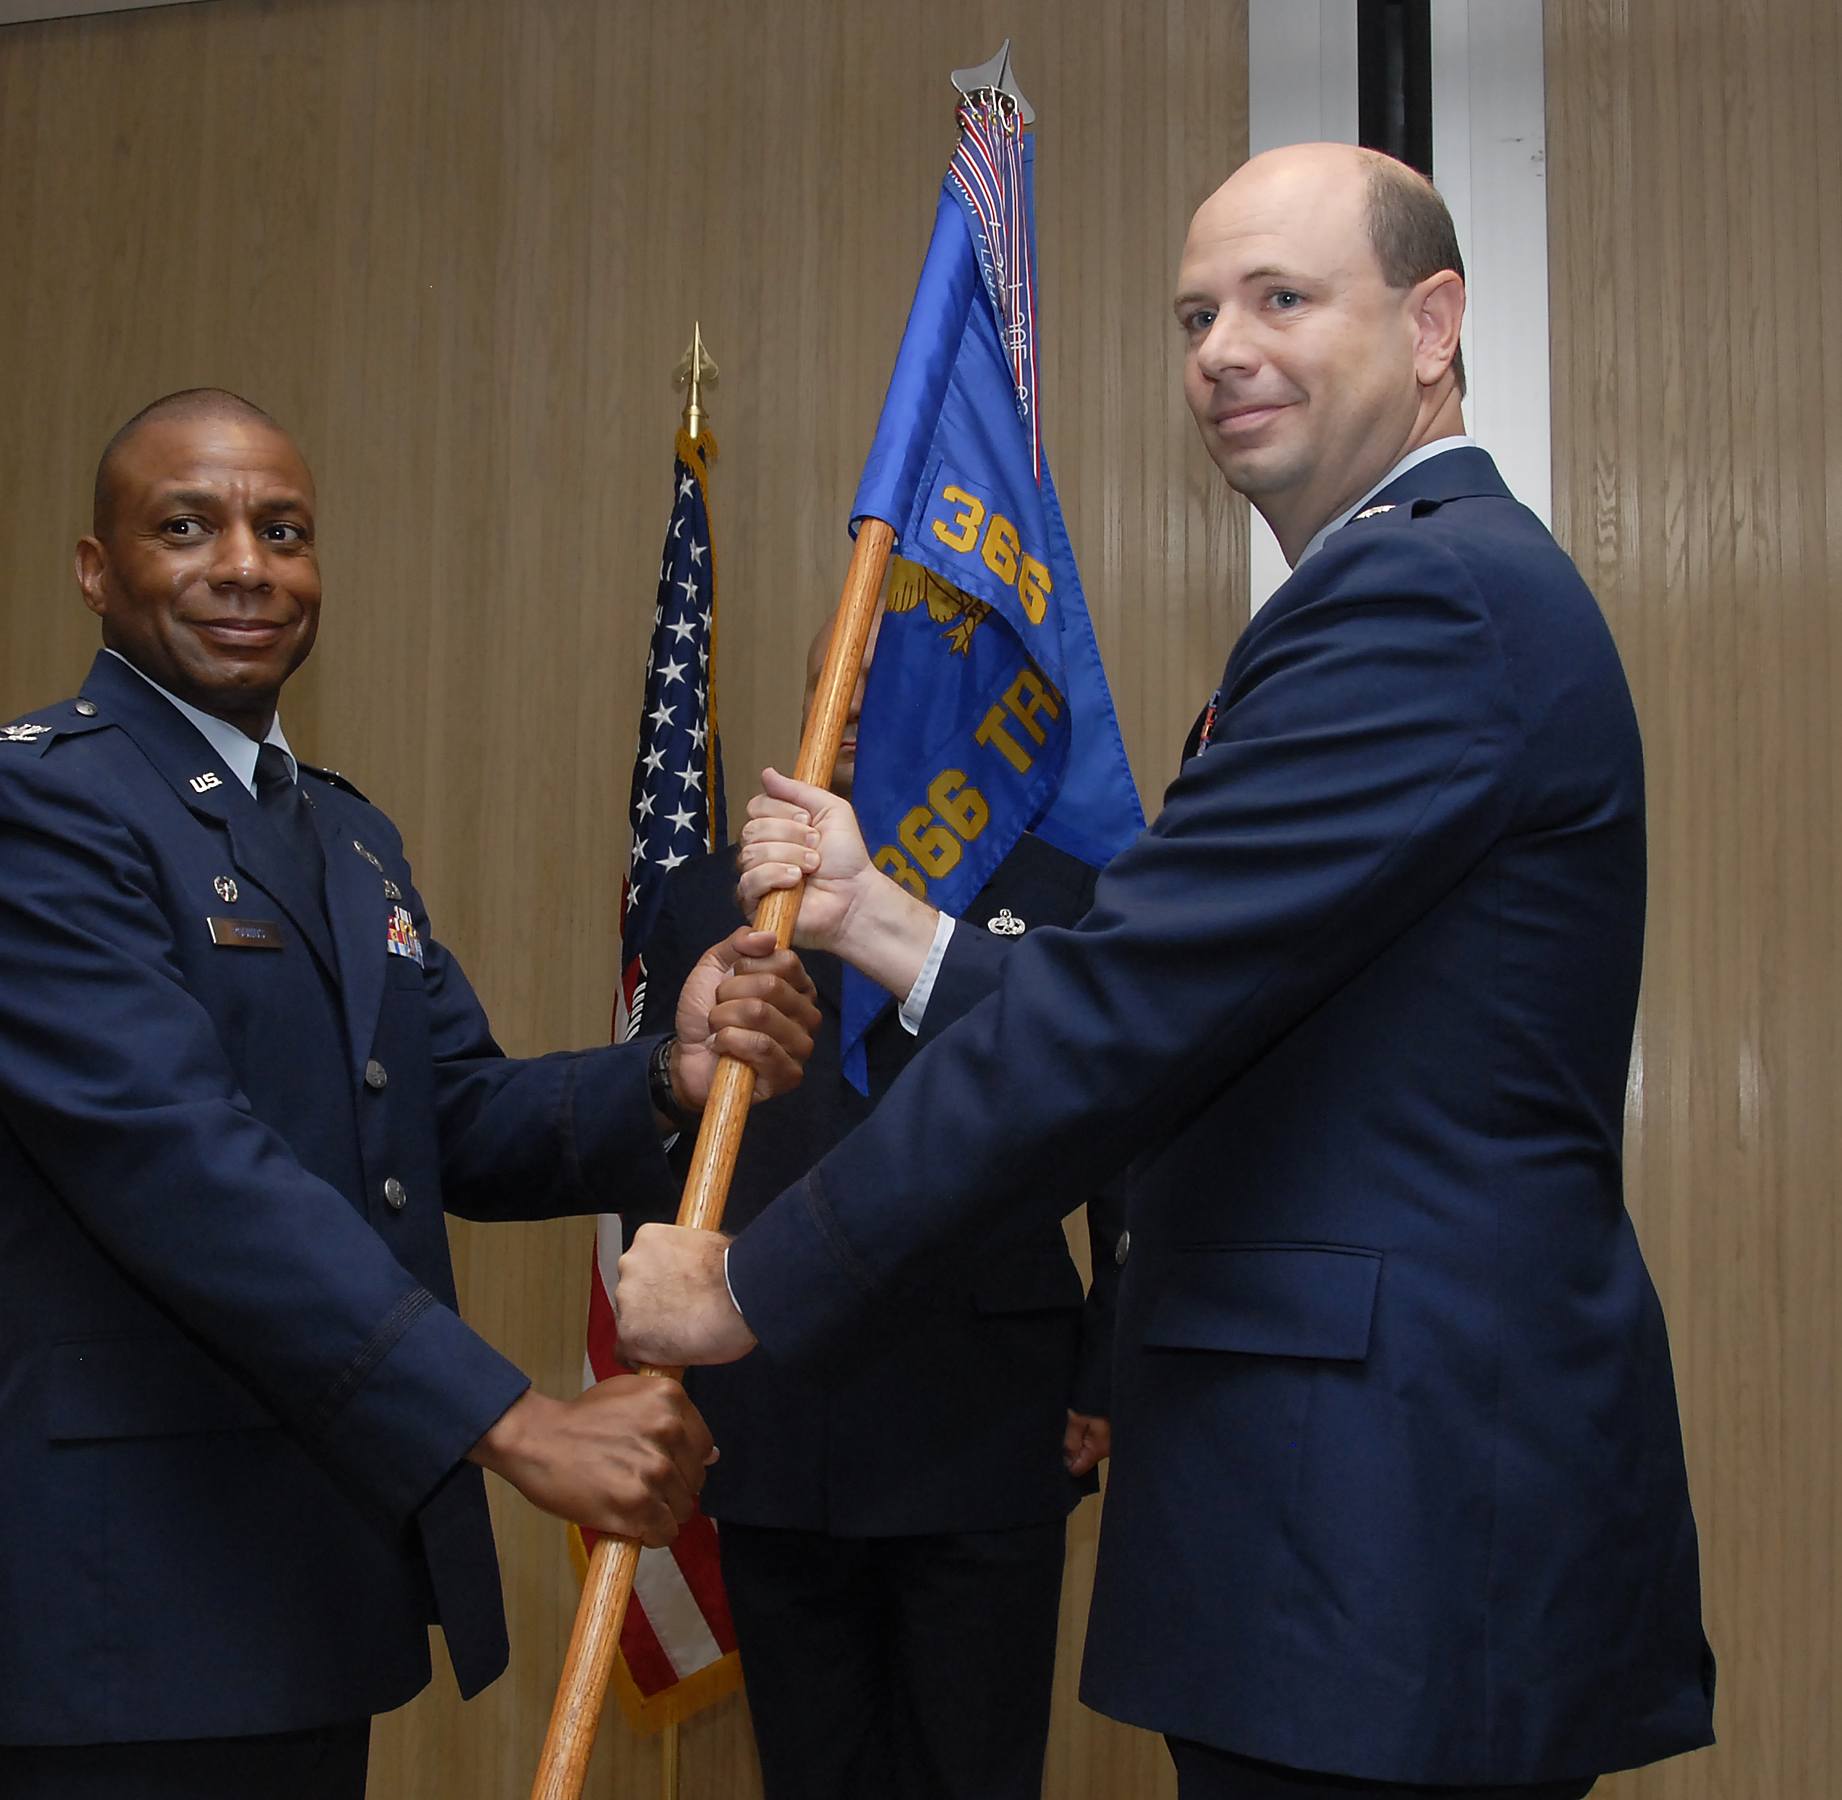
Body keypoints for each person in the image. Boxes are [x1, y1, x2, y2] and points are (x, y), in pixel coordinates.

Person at [616, 145, 1716, 1799]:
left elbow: (1124, 1018)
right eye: (1196, 312)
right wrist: (881, 921)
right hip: (1366, 1530)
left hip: (1389, 1528)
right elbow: (1197, 1004)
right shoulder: (1412, 590)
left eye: (1282, 298)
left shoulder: (1424, 602)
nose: (1219, 350)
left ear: (1434, 325)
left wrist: (751, 1286)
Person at [0, 388, 820, 1800]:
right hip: (126, 1602)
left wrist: (668, 1070)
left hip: (319, 1579)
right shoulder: (40, 810)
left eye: (284, 530)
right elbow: (186, 1173)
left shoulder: (342, 835)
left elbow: (444, 1111)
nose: (245, 565)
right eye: (186, 525)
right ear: (97, 569)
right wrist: (518, 1425)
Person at [633, 617, 1119, 1800]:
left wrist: (1107, 1373)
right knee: (813, 1770)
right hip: (776, 1411)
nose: (850, 708)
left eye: (884, 686)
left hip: (986, 1414)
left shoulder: (1053, 893)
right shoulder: (706, 898)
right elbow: (658, 1137)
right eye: (831, 682)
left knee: (975, 1770)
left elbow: (1121, 1152)